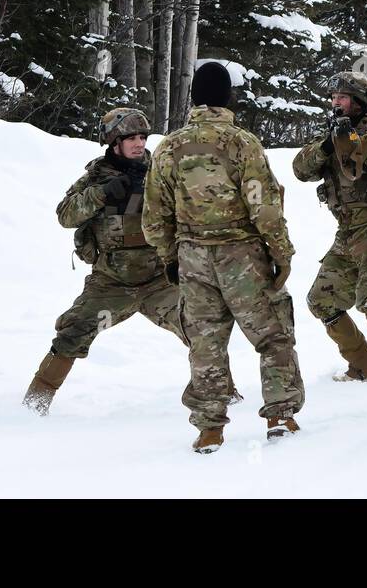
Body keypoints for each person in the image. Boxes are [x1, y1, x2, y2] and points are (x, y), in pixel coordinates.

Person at [24, 108, 238, 414]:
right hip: (111, 283)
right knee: (72, 332)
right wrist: (102, 194)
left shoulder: (161, 169)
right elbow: (65, 215)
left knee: (200, 326)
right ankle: (33, 407)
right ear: (113, 142)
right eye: (131, 139)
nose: (139, 144)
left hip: (160, 280)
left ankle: (227, 396)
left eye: (142, 137)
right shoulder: (97, 177)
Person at [143, 62, 304, 454]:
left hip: (192, 256)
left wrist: (170, 255)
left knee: (205, 343)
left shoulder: (169, 146)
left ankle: (209, 428)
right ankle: (280, 415)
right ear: (228, 97)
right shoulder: (242, 143)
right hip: (242, 256)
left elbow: (154, 214)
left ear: (194, 97)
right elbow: (263, 206)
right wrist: (281, 253)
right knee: (272, 334)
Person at [292, 71, 367, 383]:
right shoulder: (331, 134)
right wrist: (327, 145)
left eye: (343, 98)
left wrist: (360, 143)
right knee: (322, 298)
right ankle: (363, 364)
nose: (336, 103)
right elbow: (300, 170)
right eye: (333, 98)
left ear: (359, 101)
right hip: (348, 231)